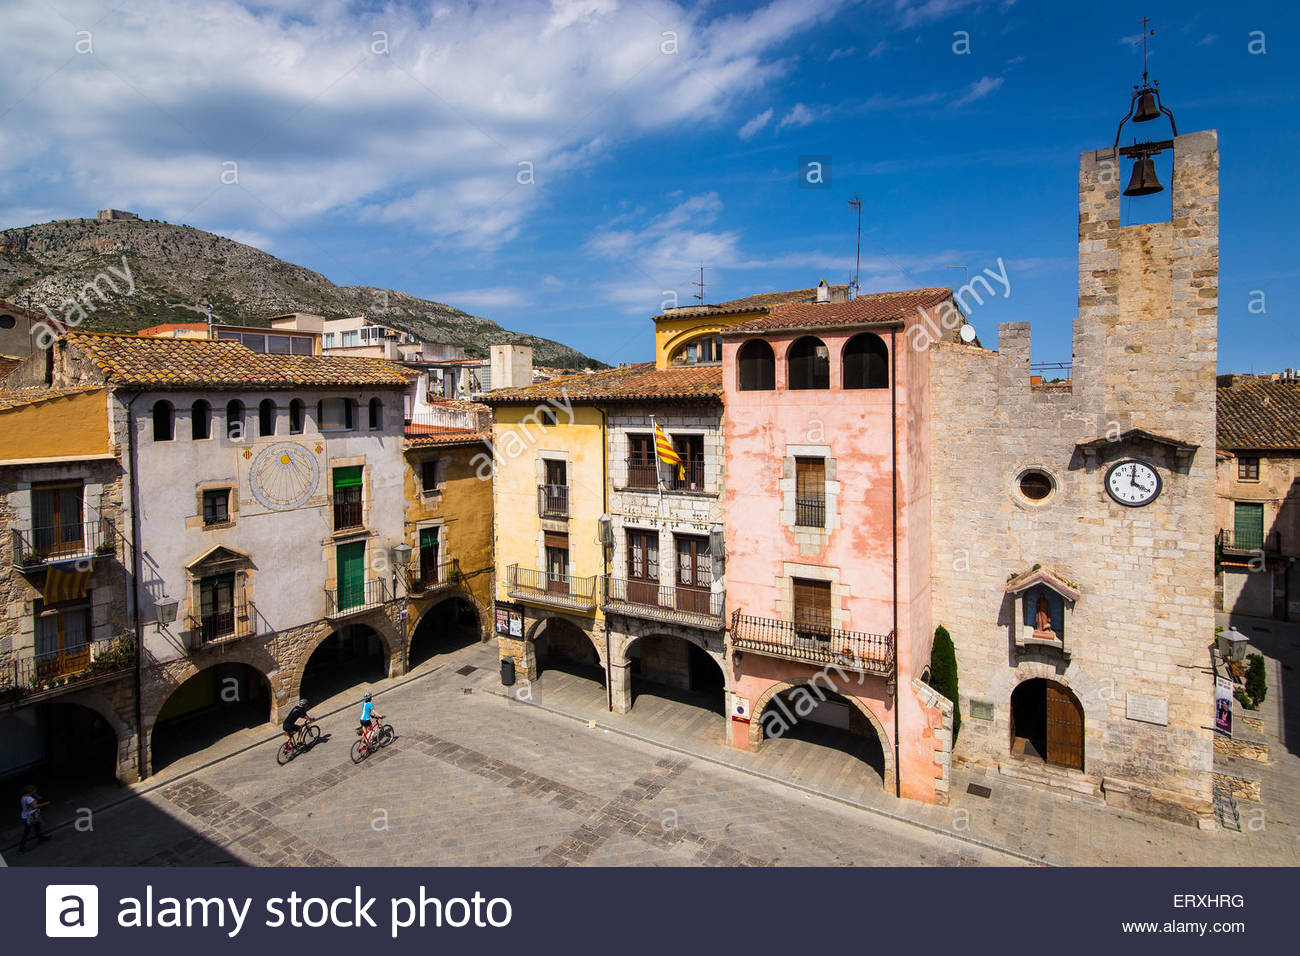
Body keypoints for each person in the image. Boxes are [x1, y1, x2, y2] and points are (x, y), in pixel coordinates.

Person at [18, 784, 50, 853]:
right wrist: (45, 803)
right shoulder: (29, 799)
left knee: (37, 826)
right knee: (27, 832)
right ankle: (22, 847)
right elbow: (34, 806)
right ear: (31, 791)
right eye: (34, 790)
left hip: (26, 815)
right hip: (30, 817)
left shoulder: (23, 797)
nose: (35, 791)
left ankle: (41, 838)